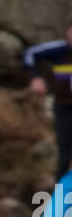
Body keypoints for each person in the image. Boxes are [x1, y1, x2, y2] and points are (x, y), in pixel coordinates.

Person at [22, 17, 72, 183]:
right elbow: (29, 54)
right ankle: (58, 202)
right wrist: (36, 77)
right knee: (64, 153)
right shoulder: (59, 50)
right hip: (64, 108)